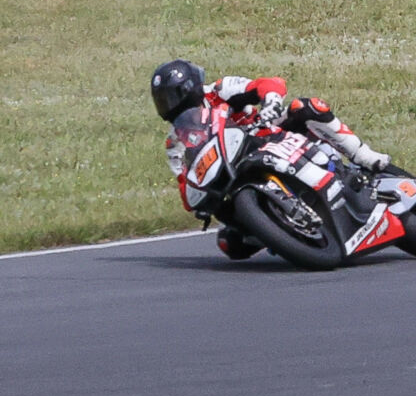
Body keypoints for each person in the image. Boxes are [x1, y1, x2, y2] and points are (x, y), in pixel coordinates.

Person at [151, 59, 393, 259]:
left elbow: (268, 84)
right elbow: (185, 183)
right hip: (231, 176)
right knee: (231, 244)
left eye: (172, 96)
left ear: (190, 87)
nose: (170, 105)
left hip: (265, 136)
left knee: (307, 107)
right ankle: (275, 227)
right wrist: (197, 199)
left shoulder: (218, 91)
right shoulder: (176, 142)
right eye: (162, 101)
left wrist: (271, 102)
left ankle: (364, 155)